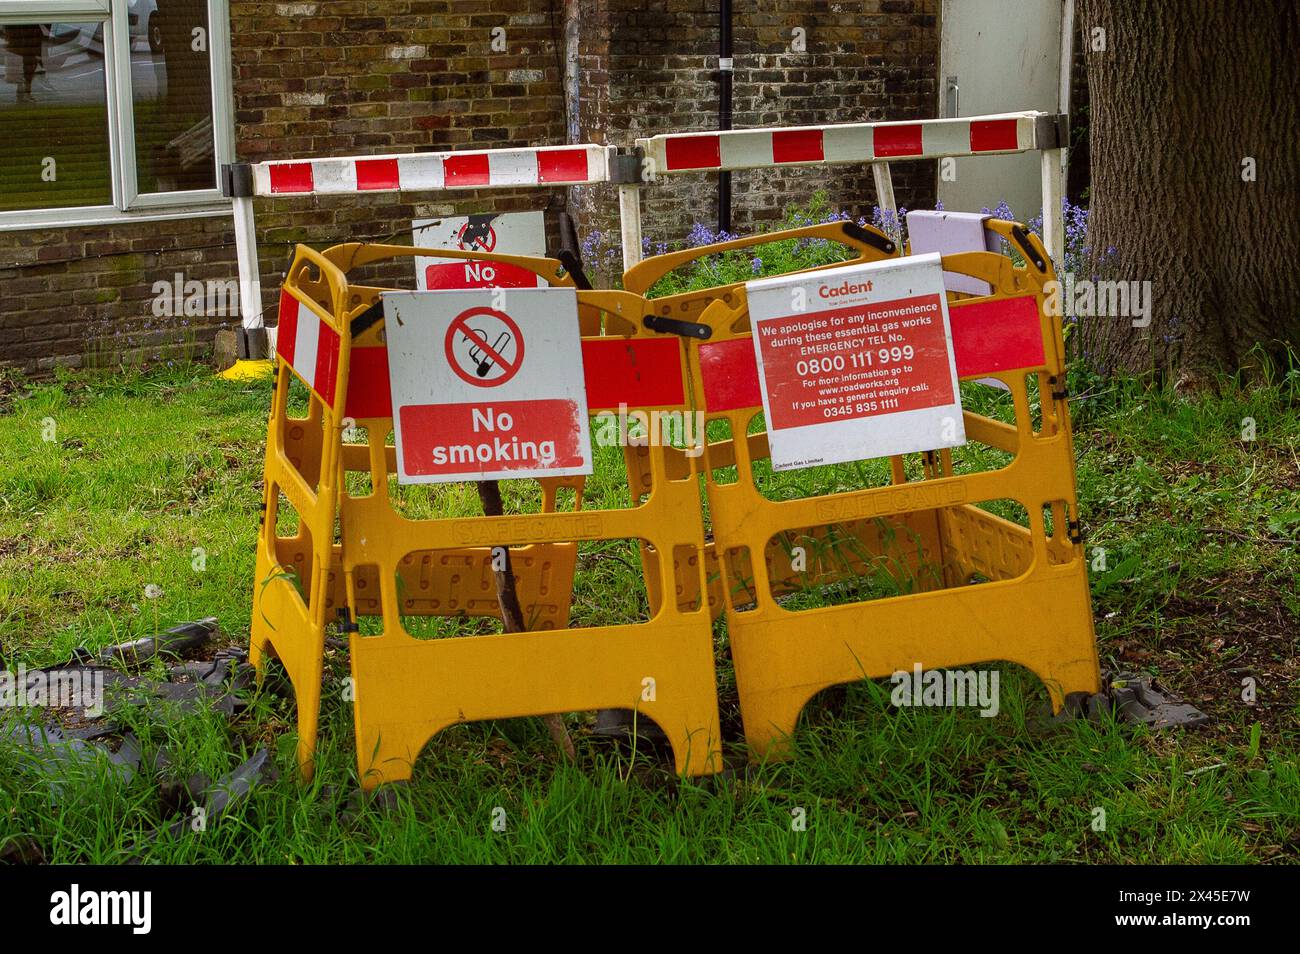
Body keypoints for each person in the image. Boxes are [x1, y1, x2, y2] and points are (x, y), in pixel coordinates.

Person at [3, 25, 43, 103]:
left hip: (23, 46)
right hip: (22, 46)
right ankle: (24, 95)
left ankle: (24, 94)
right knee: (24, 73)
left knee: (26, 72)